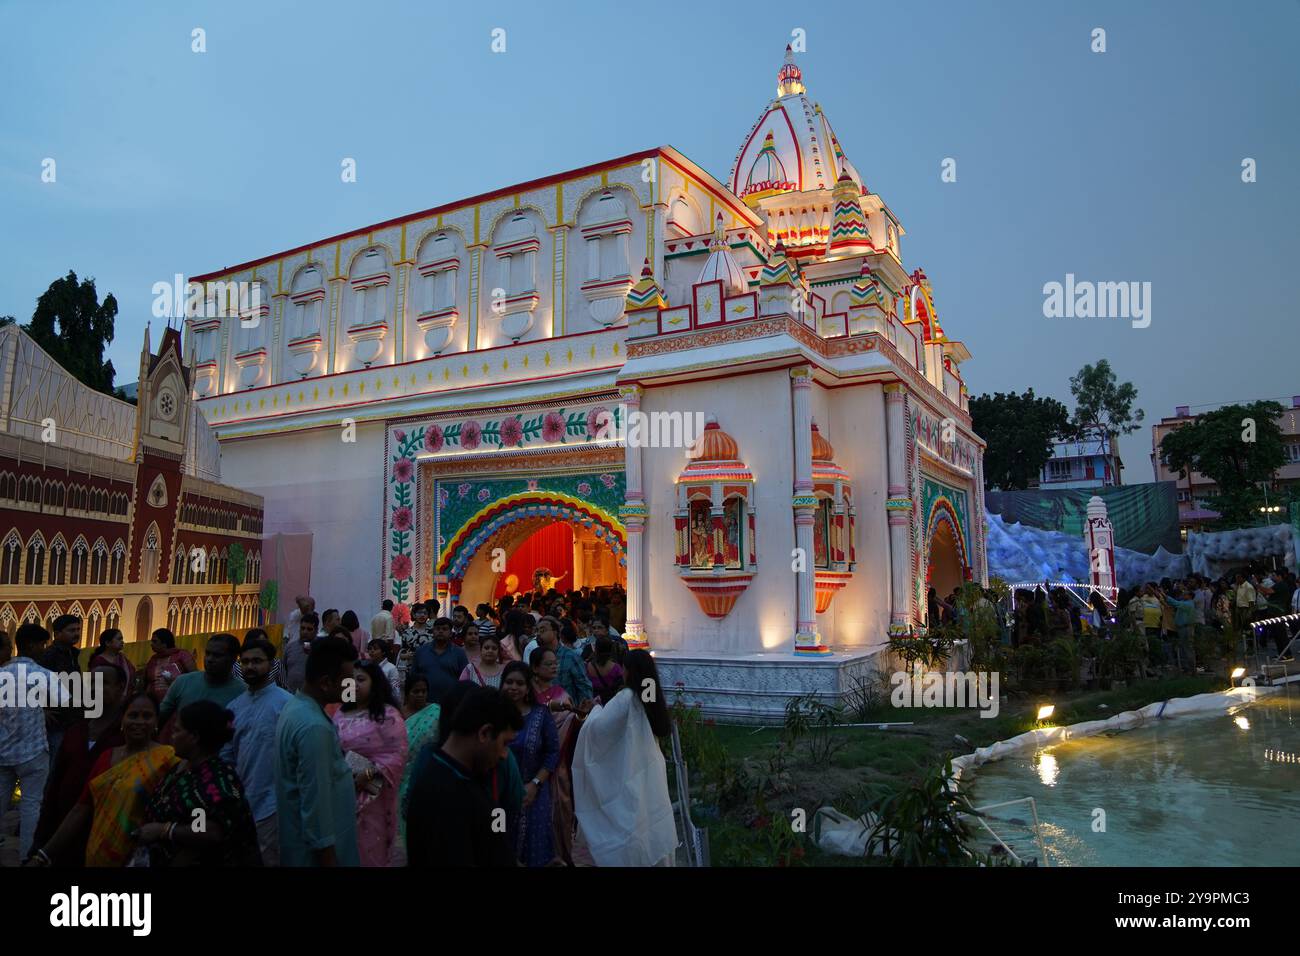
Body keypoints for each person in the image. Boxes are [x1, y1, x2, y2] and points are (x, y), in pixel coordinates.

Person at [28, 694, 178, 867]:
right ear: (122, 720)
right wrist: (43, 855)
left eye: (147, 716)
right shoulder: (106, 757)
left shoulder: (167, 759)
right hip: (98, 851)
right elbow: (81, 808)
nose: (139, 722)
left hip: (140, 856)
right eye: (133, 715)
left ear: (156, 722)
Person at [572, 649, 677, 867]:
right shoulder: (651, 697)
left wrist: (595, 710)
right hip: (649, 767)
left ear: (629, 671)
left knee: (629, 821)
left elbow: (599, 731)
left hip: (630, 769)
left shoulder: (626, 698)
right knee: (648, 814)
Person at [404, 684, 521, 866]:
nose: (504, 755)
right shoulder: (443, 795)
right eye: (504, 743)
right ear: (484, 733)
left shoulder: (466, 778)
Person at [133, 700, 262, 866]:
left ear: (194, 737)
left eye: (177, 731)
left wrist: (163, 830)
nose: (172, 737)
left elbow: (206, 829)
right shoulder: (181, 768)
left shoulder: (211, 782)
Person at [275, 635, 359, 867]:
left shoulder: (297, 707)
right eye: (347, 680)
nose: (352, 685)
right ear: (325, 683)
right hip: (315, 854)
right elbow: (316, 803)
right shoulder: (313, 726)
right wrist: (328, 856)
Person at [33, 665, 127, 858]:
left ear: (120, 687)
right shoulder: (76, 731)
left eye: (103, 683)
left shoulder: (126, 735)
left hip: (107, 835)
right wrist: (40, 839)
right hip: (63, 828)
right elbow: (55, 784)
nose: (95, 689)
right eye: (91, 683)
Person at [223, 635, 292, 865]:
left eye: (257, 661)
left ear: (271, 665)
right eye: (245, 661)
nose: (250, 667)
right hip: (241, 802)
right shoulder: (234, 706)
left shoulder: (286, 704)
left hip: (275, 803)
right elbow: (227, 756)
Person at [332, 660, 408, 867]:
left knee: (370, 849)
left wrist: (367, 775)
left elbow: (398, 755)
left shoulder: (388, 716)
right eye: (351, 679)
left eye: (361, 679)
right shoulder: (340, 713)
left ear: (375, 682)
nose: (354, 684)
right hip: (341, 792)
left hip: (374, 797)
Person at [1, 624, 56, 860]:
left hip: (3, 752)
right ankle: (26, 856)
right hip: (34, 752)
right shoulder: (43, 674)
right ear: (32, 645)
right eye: (42, 645)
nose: (44, 650)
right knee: (31, 805)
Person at [500, 660, 559, 867]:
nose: (513, 688)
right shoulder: (494, 714)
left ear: (527, 688)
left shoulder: (540, 714)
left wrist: (535, 783)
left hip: (534, 794)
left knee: (535, 846)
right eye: (509, 682)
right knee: (499, 843)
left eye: (519, 683)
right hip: (500, 795)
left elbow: (552, 752)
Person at [159, 634, 245, 743]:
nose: (210, 659)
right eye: (208, 654)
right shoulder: (182, 682)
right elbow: (160, 716)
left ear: (233, 659)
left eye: (217, 655)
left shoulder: (243, 692)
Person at [396, 674, 438, 845]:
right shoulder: (396, 714)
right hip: (398, 777)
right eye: (416, 691)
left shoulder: (435, 712)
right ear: (407, 693)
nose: (421, 695)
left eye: (424, 691)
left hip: (423, 778)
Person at [40, 614, 84, 757]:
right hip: (56, 722)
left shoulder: (74, 654)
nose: (76, 633)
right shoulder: (48, 656)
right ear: (57, 634)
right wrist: (42, 711)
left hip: (72, 718)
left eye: (78, 629)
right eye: (71, 630)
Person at [412, 617, 468, 708]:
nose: (440, 631)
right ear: (433, 632)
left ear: (451, 633)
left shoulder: (459, 653)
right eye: (437, 629)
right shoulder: (421, 651)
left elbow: (465, 680)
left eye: (445, 629)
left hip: (451, 704)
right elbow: (413, 678)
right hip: (424, 704)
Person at [145, 628, 196, 706]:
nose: (151, 644)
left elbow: (194, 677)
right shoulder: (153, 660)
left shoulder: (182, 655)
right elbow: (148, 682)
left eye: (155, 641)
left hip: (179, 702)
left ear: (164, 643)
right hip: (156, 705)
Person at [88, 628, 136, 692]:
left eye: (122, 639)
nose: (122, 642)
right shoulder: (98, 661)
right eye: (119, 639)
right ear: (108, 643)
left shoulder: (122, 658)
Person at [282, 611, 318, 693]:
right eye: (303, 628)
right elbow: (283, 670)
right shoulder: (290, 647)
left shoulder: (320, 648)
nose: (305, 632)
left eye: (309, 629)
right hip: (289, 694)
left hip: (311, 696)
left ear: (316, 631)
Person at [586, 635, 625, 706]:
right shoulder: (616, 667)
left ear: (596, 649)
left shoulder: (588, 666)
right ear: (611, 649)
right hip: (612, 704)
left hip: (595, 704)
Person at [369, 638, 403, 702]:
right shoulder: (367, 666)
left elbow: (396, 693)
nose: (372, 651)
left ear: (383, 652)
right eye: (370, 649)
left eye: (375, 649)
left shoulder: (391, 668)